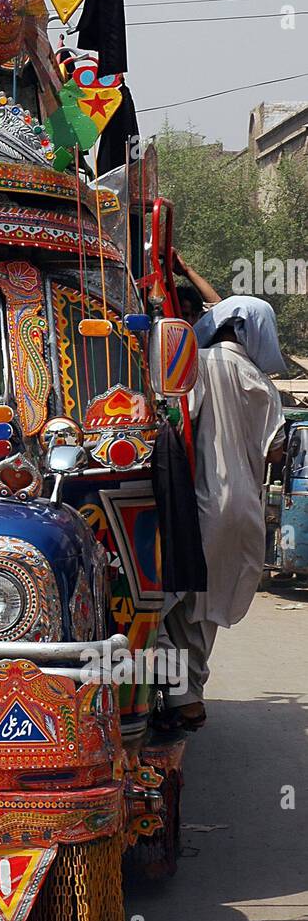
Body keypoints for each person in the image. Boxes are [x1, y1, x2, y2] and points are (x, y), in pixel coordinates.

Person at [156, 297, 286, 730]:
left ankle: (176, 696)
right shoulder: (263, 385)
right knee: (204, 612)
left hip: (196, 503)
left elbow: (176, 420)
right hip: (245, 511)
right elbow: (277, 451)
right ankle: (188, 697)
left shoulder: (198, 363)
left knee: (168, 604)